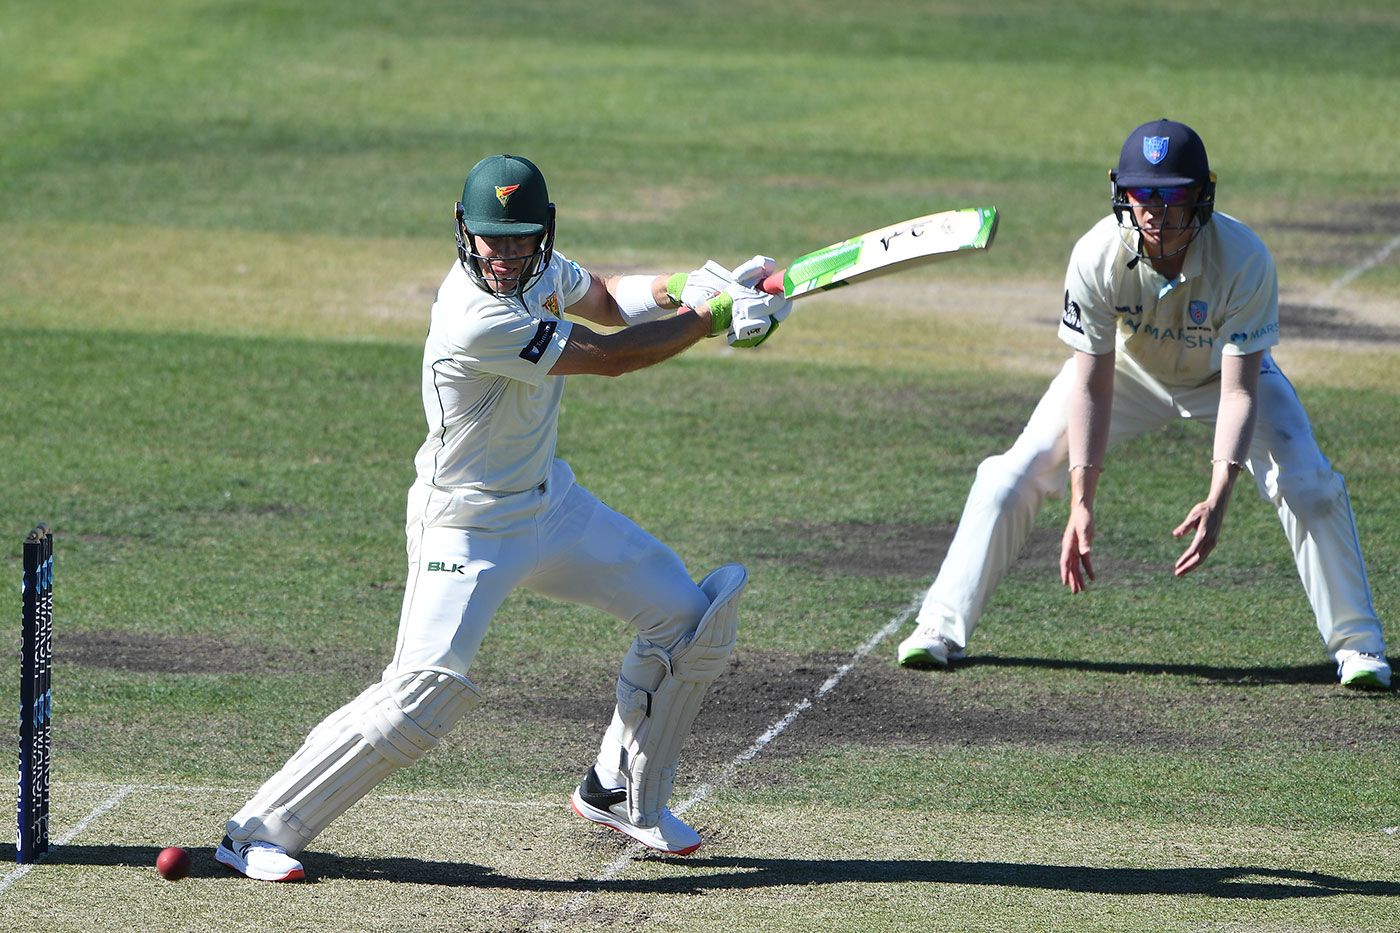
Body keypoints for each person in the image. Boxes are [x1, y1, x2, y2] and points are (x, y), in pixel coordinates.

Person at [214, 154, 792, 881]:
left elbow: (610, 297)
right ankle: (253, 831)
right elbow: (610, 356)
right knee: (421, 690)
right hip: (464, 526)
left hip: (549, 507)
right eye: (494, 239)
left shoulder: (542, 270)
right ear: (464, 230)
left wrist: (689, 285)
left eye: (521, 238)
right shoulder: (474, 313)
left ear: (543, 232)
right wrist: (707, 319)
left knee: (685, 617)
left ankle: (618, 790)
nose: (507, 254)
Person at [897, 119, 1391, 691]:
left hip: (1221, 377)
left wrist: (1218, 496)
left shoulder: (1245, 258)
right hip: (1128, 373)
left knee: (1308, 484)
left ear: (1202, 194)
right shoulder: (1096, 255)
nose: (1156, 210)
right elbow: (1090, 384)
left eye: (1173, 194)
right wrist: (1082, 500)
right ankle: (937, 628)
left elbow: (1240, 390)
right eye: (1143, 194)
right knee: (1011, 475)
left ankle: (1359, 648)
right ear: (1122, 194)